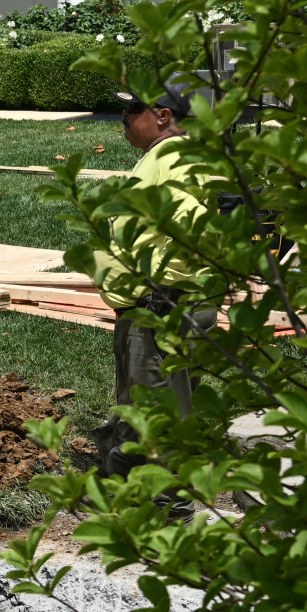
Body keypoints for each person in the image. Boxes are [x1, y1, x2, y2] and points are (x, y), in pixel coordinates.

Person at [87, 83, 217, 475]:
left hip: (163, 308)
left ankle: (167, 513)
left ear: (163, 116)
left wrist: (158, 292)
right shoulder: (165, 155)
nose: (124, 117)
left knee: (157, 418)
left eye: (134, 109)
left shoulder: (175, 157)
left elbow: (195, 231)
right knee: (149, 409)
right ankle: (141, 493)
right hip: (153, 305)